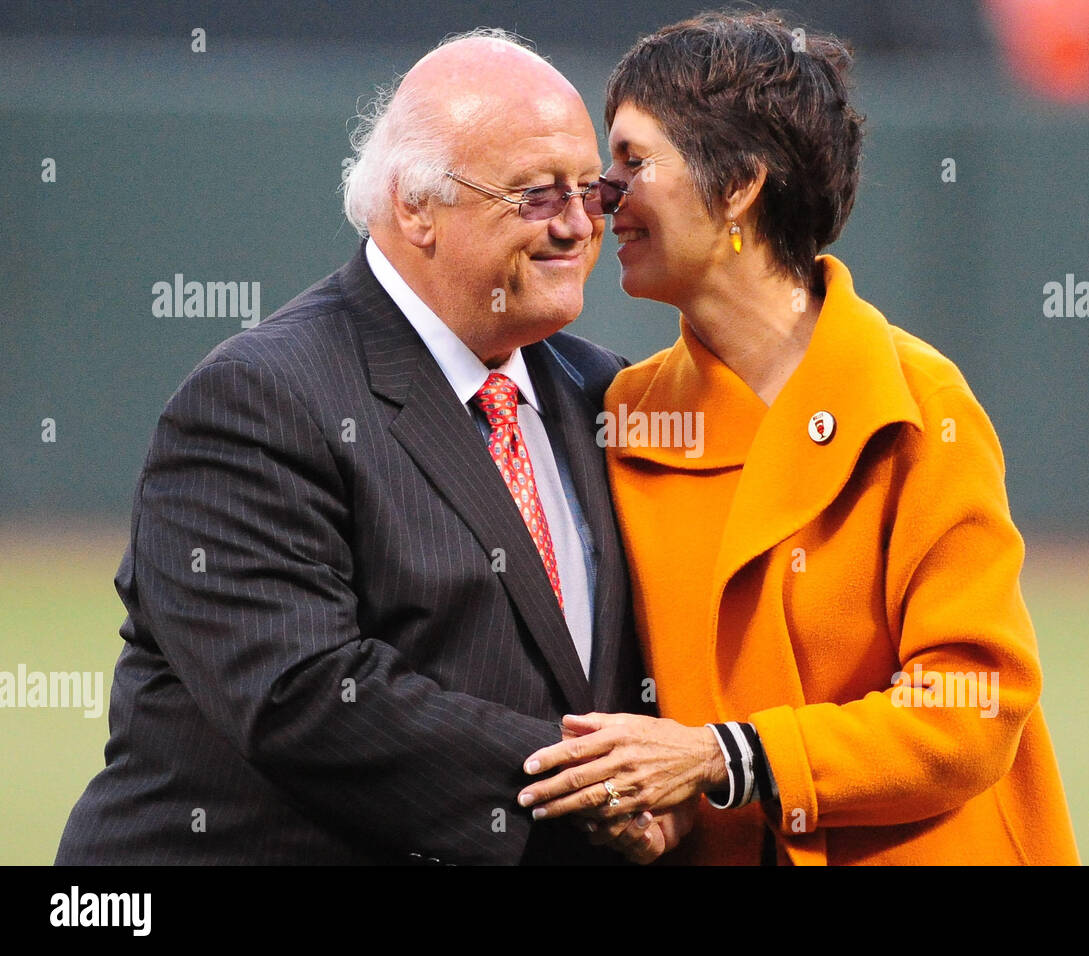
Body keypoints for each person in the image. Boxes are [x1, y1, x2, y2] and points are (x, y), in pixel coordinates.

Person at [55, 29, 665, 866]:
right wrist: (595, 789)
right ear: (415, 207)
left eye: (587, 193)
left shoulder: (602, 393)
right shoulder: (258, 398)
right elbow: (303, 697)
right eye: (534, 196)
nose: (575, 227)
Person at [516, 11, 1081, 866]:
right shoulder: (621, 416)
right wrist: (657, 816)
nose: (602, 196)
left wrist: (728, 757)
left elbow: (972, 709)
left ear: (740, 182)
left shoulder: (919, 404)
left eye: (632, 162)